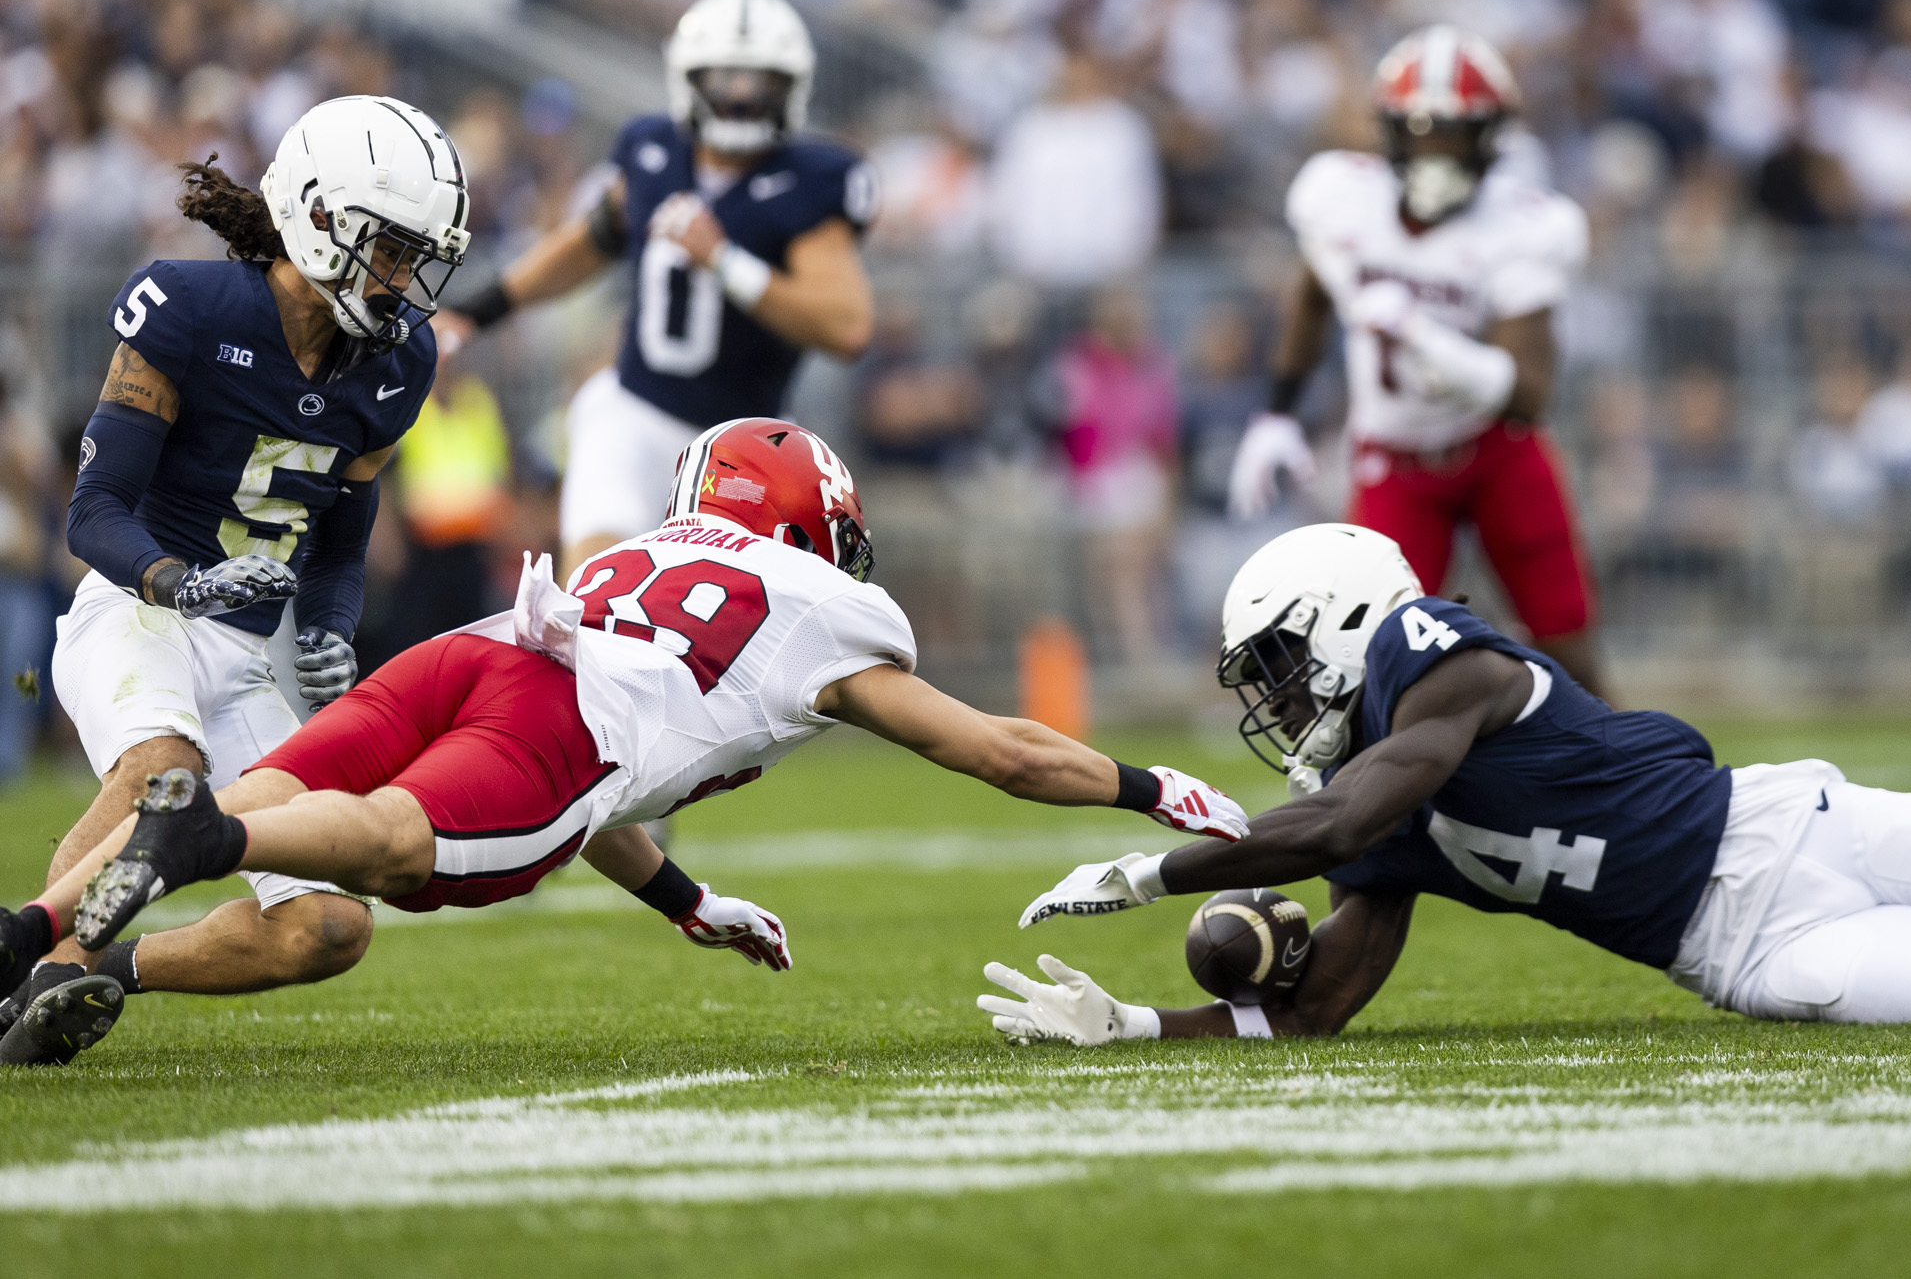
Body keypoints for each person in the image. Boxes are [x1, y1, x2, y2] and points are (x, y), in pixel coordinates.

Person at [0, 419, 1249, 1063]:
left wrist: (687, 899)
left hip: (479, 649)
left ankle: (39, 938)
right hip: (563, 721)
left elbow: (596, 790)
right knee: (381, 846)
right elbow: (999, 750)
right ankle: (210, 831)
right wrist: (1149, 785)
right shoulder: (828, 608)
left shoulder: (644, 552)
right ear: (819, 521)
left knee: (285, 780)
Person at [981, 523, 1911, 1044]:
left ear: (1339, 617)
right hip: (1756, 945)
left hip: (1811, 822)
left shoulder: (1426, 653)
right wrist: (1139, 1024)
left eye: (1280, 664)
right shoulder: (1359, 771)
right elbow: (1314, 1006)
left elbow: (1343, 821)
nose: (1277, 700)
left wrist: (1152, 873)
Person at [0, 95, 470, 1065]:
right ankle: (35, 961)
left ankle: (93, 970)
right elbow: (92, 515)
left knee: (329, 927)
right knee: (161, 773)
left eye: (414, 255)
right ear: (320, 217)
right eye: (387, 248)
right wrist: (179, 583)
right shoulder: (187, 307)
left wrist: (332, 628)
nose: (403, 280)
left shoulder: (397, 364)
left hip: (248, 659)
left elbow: (341, 540)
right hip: (141, 614)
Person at [431, 0, 877, 583]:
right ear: (688, 79)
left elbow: (847, 327)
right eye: (724, 77)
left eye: (759, 80)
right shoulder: (653, 151)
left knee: (720, 628)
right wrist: (476, 311)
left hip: (742, 447)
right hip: (635, 410)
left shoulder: (809, 182)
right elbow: (589, 242)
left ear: (790, 87)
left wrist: (725, 261)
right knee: (595, 588)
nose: (741, 96)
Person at [1225, 26, 1609, 699]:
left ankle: (1629, 787)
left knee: (1566, 643)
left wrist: (1425, 339)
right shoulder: (1344, 199)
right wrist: (1277, 411)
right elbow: (1312, 295)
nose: (1437, 151)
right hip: (1395, 459)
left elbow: (1529, 392)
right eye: (1422, 130)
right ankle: (1398, 803)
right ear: (1390, 131)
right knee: (1373, 660)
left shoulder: (1521, 225)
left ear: (1491, 137)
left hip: (1496, 450)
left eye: (1456, 132)